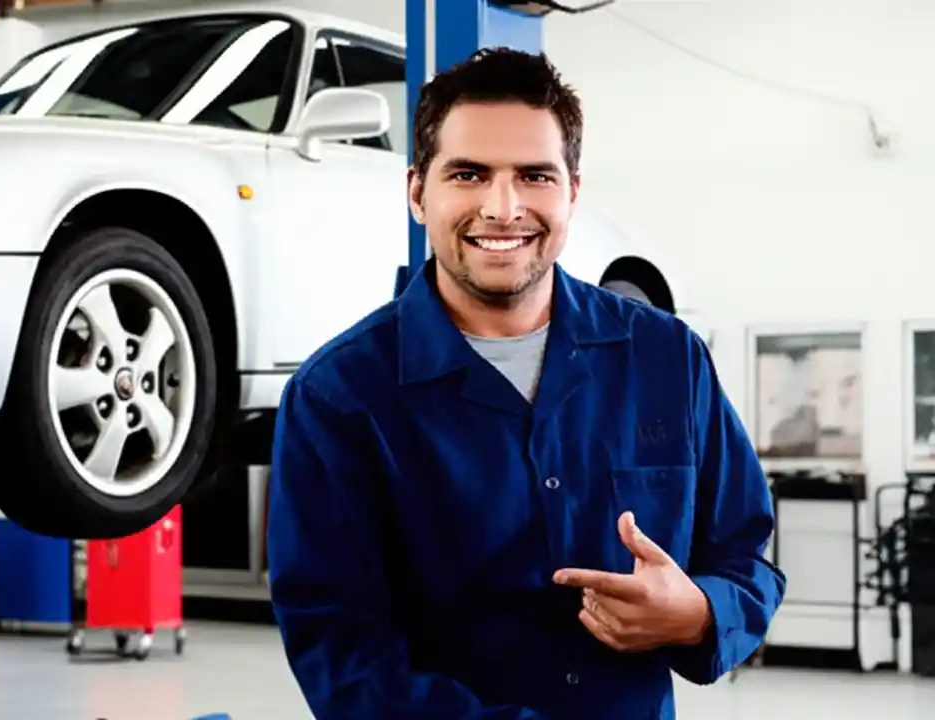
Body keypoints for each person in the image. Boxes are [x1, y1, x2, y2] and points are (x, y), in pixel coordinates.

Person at [265, 47, 786, 719]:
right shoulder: (339, 398)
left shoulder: (667, 359)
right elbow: (342, 653)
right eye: (469, 174)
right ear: (418, 193)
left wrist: (698, 614)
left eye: (534, 176)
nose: (503, 207)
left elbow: (747, 555)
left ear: (572, 191)